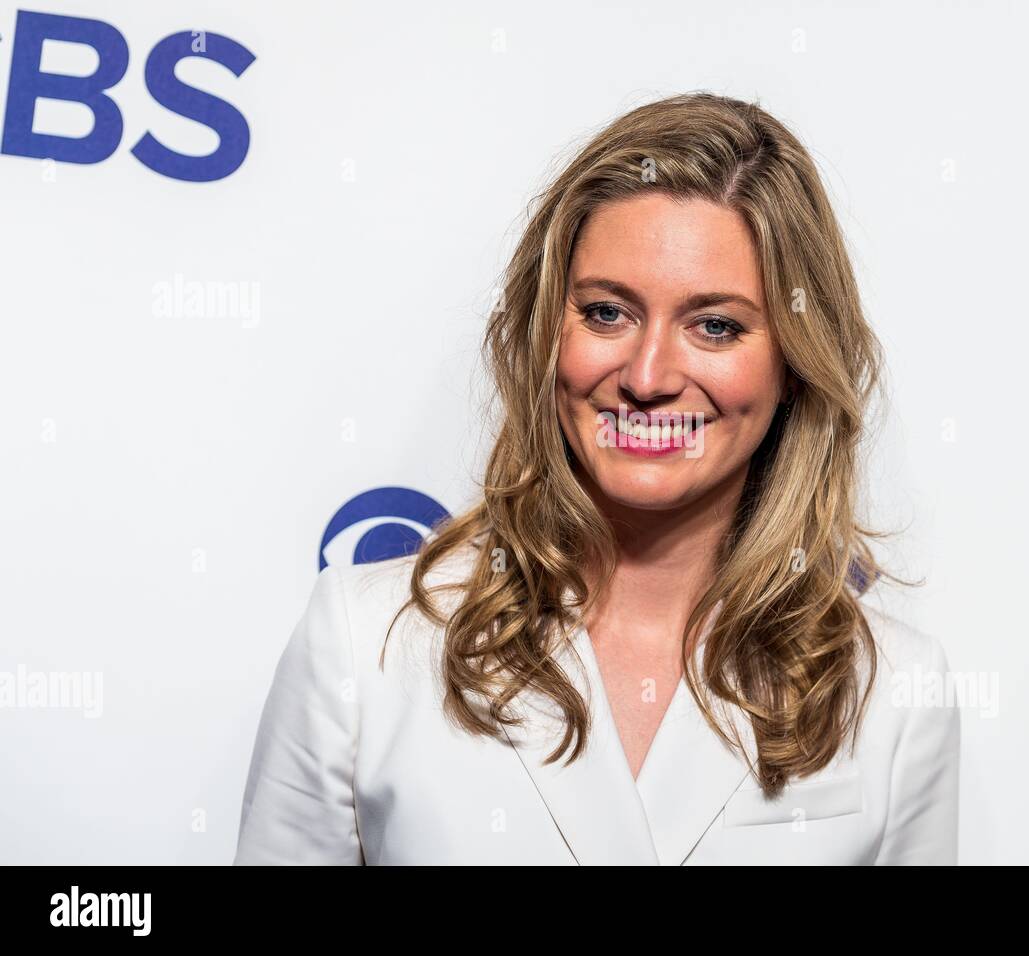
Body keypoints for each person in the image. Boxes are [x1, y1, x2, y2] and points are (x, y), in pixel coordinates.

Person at [234, 91, 960, 865]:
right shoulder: (366, 642)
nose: (647, 376)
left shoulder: (893, 694)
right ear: (549, 331)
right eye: (608, 313)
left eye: (715, 326)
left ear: (795, 362)